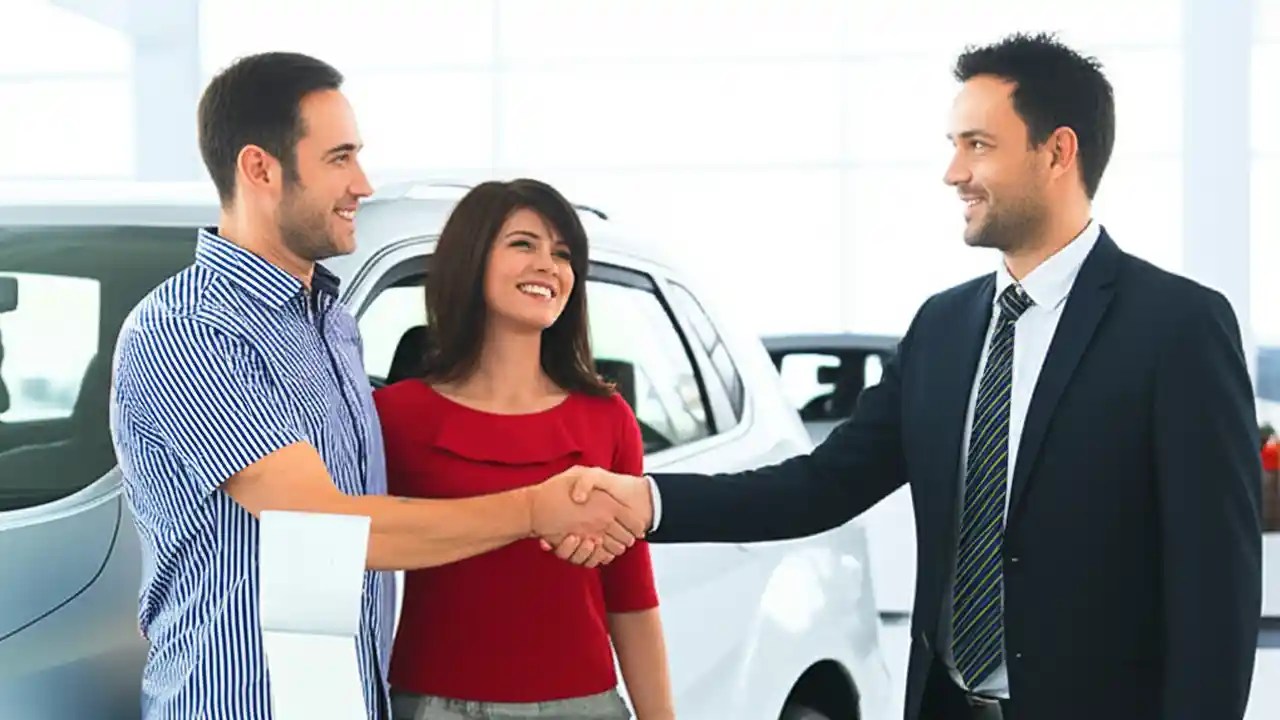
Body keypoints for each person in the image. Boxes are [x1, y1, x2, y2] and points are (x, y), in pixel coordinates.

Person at [550, 32, 1262, 720]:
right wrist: (644, 503)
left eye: (977, 145)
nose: (953, 172)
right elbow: (820, 486)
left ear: (1059, 152)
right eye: (953, 146)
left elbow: (1216, 589)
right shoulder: (943, 328)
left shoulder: (1177, 327)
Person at [108, 53, 645, 720]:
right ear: (259, 169)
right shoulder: (187, 332)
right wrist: (538, 509)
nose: (362, 183)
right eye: (340, 158)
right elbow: (323, 529)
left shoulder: (332, 324)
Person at [372, 179, 673, 720]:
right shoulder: (397, 417)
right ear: (471, 257)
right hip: (433, 708)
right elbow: (353, 548)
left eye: (562, 254)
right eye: (523, 244)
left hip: (585, 707)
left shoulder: (608, 419)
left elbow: (631, 598)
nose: (548, 266)